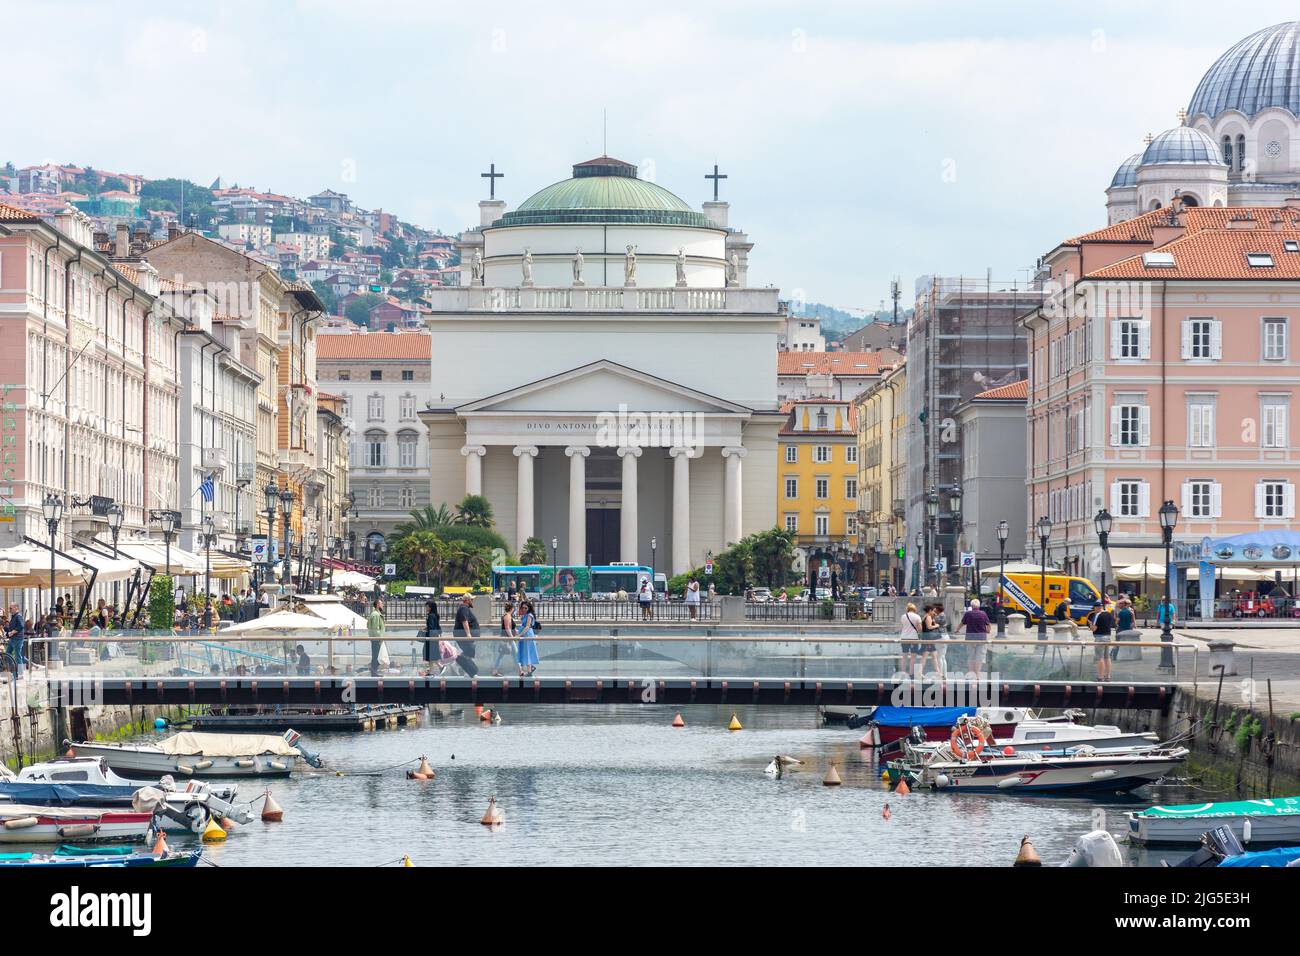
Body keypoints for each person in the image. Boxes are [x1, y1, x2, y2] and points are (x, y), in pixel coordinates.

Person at [956, 598, 991, 677]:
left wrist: (957, 630)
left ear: (971, 606)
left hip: (970, 638)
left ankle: (971, 673)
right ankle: (977, 674)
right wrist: (988, 631)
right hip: (981, 638)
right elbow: (988, 625)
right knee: (980, 656)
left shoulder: (968, 614)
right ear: (979, 606)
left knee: (970, 656)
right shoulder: (983, 614)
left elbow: (962, 623)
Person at [452, 595, 479, 677]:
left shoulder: (465, 608)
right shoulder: (464, 608)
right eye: (471, 600)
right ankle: (457, 664)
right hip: (463, 635)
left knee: (469, 652)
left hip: (464, 635)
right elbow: (464, 621)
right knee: (469, 651)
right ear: (467, 600)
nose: (472, 601)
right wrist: (468, 634)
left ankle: (463, 669)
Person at [1088, 600, 1115, 682]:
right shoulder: (1109, 614)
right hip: (1108, 637)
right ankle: (1108, 676)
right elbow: (1112, 624)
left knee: (1100, 657)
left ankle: (1100, 677)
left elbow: (1094, 628)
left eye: (1094, 608)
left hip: (1099, 638)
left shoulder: (1097, 615)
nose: (1094, 610)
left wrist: (1090, 624)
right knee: (1107, 657)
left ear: (1097, 608)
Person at [899, 602, 924, 674]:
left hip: (904, 638)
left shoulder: (903, 616)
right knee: (913, 657)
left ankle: (903, 673)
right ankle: (911, 673)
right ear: (914, 609)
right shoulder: (917, 617)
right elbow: (920, 629)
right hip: (913, 638)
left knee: (904, 657)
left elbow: (903, 626)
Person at [515, 600, 539, 677]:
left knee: (527, 651)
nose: (524, 609)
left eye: (526, 608)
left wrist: (519, 635)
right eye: (523, 608)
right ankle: (529, 669)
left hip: (527, 634)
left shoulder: (529, 615)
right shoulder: (525, 615)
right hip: (523, 634)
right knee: (524, 651)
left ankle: (529, 671)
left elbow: (527, 627)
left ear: (529, 608)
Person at [493, 600, 516, 676]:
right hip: (507, 639)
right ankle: (520, 670)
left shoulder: (506, 615)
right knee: (515, 653)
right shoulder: (507, 616)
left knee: (503, 655)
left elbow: (510, 627)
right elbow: (507, 628)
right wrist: (511, 637)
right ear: (512, 608)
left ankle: (495, 671)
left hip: (507, 638)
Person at [421, 599, 442, 675]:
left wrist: (426, 629)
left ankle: (439, 667)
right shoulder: (435, 615)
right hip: (434, 637)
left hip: (430, 638)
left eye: (427, 606)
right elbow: (436, 626)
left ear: (430, 607)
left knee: (429, 654)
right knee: (431, 654)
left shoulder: (430, 616)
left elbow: (431, 627)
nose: (426, 608)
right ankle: (431, 671)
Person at [366, 599, 386, 676]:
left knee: (376, 655)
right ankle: (374, 673)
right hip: (376, 639)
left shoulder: (375, 614)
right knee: (376, 656)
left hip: (375, 638)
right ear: (377, 604)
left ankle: (374, 672)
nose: (383, 605)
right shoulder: (376, 615)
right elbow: (375, 629)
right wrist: (379, 638)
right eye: (381, 603)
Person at [5, 603, 25, 676]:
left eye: (11, 608)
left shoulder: (18, 616)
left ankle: (20, 673)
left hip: (17, 639)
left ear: (16, 608)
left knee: (18, 656)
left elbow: (21, 626)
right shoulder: (13, 617)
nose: (9, 610)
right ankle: (13, 670)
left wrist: (12, 632)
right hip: (12, 639)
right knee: (7, 654)